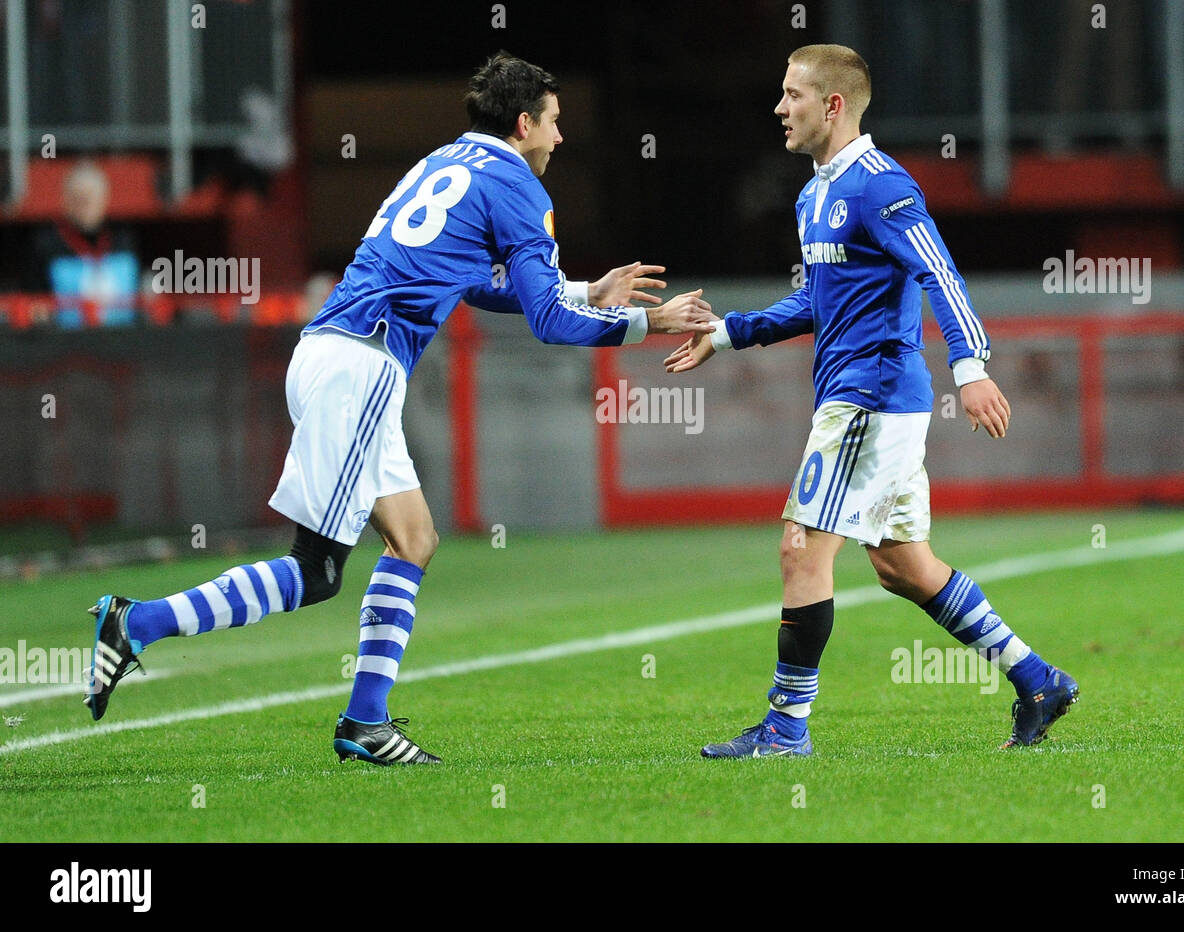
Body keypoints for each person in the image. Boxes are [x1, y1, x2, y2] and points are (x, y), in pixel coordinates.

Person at [85, 51, 714, 766]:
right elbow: (546, 325)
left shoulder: (445, 162)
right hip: (362, 365)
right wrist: (647, 325)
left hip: (337, 352)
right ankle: (137, 623)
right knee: (315, 573)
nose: (560, 138)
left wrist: (582, 289)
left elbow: (477, 286)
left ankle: (365, 723)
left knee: (412, 539)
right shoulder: (516, 185)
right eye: (555, 123)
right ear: (523, 122)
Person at [665, 44, 1078, 756]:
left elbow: (938, 271)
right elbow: (815, 301)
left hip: (871, 395)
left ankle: (786, 729)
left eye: (792, 94)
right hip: (861, 396)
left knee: (800, 550)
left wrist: (971, 366)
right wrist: (729, 332)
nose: (778, 107)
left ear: (833, 104)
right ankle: (1038, 680)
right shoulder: (815, 192)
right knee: (902, 565)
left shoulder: (881, 186)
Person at [27, 159, 140, 327]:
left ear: (104, 198)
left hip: (121, 338)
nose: (86, 204)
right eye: (78, 197)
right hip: (65, 342)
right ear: (65, 200)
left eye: (91, 197)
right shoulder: (46, 244)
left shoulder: (123, 239)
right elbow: (35, 302)